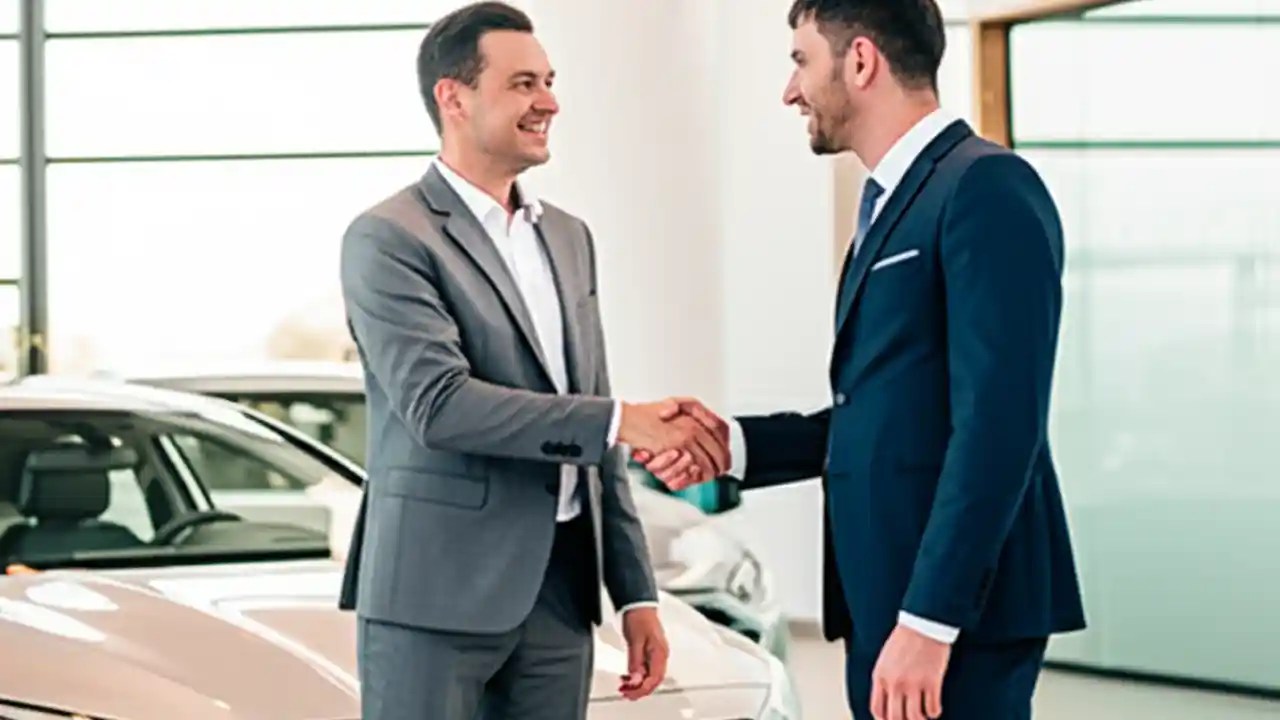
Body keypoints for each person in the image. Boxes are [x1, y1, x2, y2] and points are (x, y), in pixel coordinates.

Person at [638, 1, 1086, 718]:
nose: (791, 91)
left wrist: (930, 621)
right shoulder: (891, 203)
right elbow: (885, 411)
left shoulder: (985, 188)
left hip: (949, 618)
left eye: (800, 61)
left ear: (861, 60)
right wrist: (735, 445)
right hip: (888, 602)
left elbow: (1000, 428)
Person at [337, 3, 729, 718]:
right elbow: (440, 406)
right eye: (523, 83)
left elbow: (594, 409)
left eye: (549, 80)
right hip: (434, 592)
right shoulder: (388, 238)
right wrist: (623, 422)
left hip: (559, 594)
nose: (549, 100)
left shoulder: (570, 239)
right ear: (453, 98)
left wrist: (635, 590)